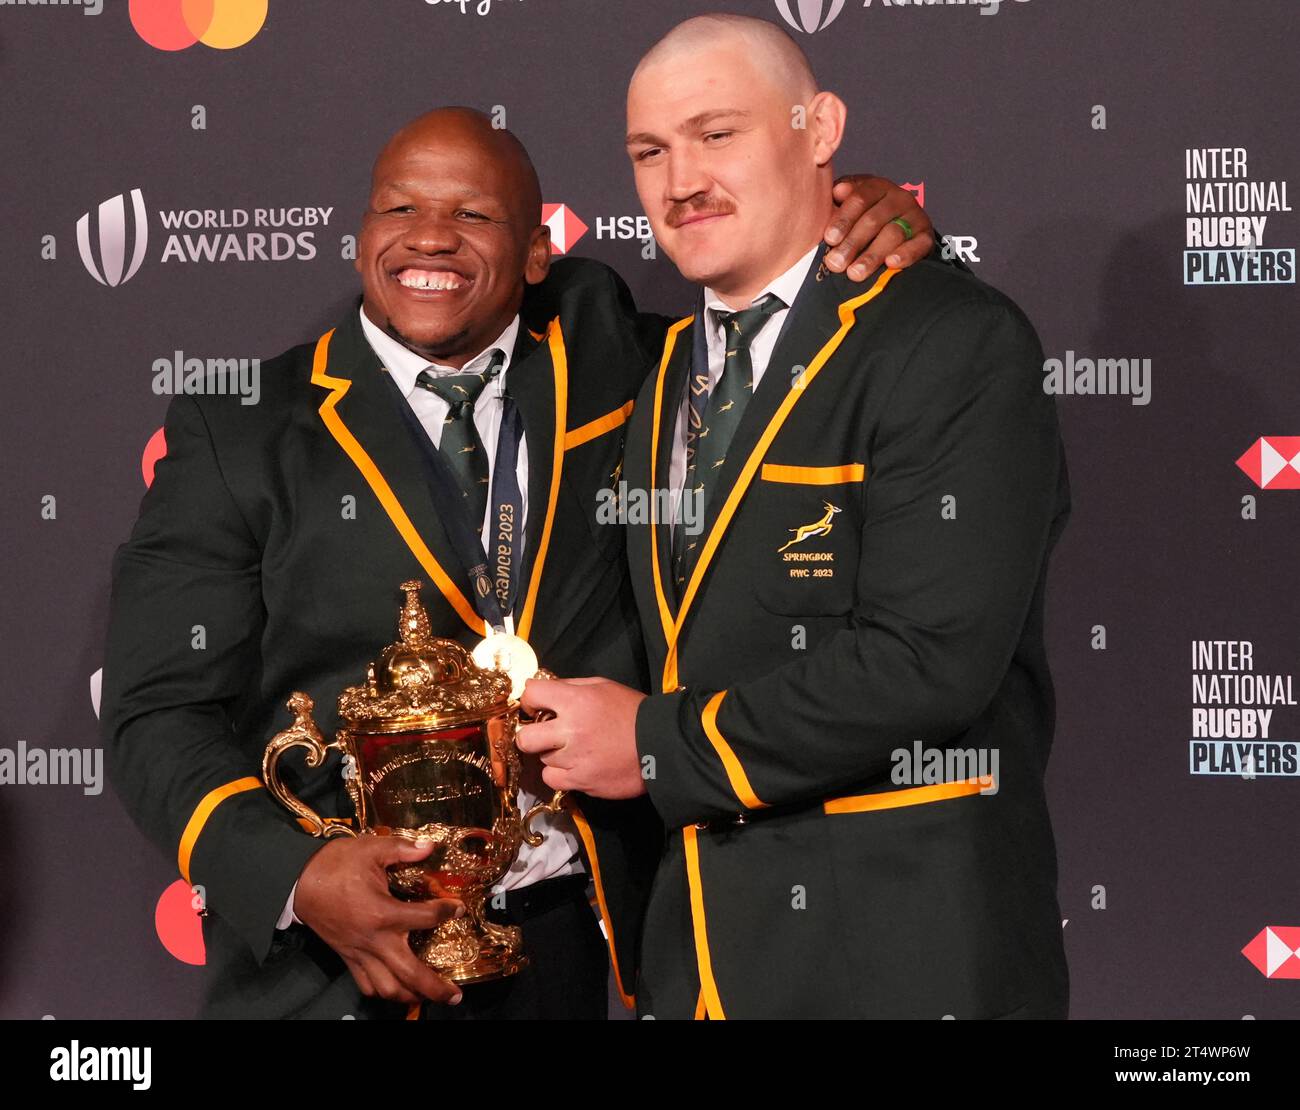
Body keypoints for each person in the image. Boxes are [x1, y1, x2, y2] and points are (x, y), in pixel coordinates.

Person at [100, 101, 936, 1019]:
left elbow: (796, 331)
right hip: (337, 967)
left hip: (572, 947)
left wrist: (870, 219)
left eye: (473, 214)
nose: (430, 237)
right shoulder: (243, 429)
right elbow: (158, 711)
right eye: (399, 208)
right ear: (361, 235)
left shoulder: (619, 357)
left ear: (539, 253)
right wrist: (298, 876)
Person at [518, 13, 1072, 1019]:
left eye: (717, 134)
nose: (681, 180)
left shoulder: (951, 340)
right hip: (698, 965)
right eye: (650, 151)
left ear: (820, 129)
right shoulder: (653, 370)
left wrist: (655, 744)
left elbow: (926, 663)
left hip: (902, 961)